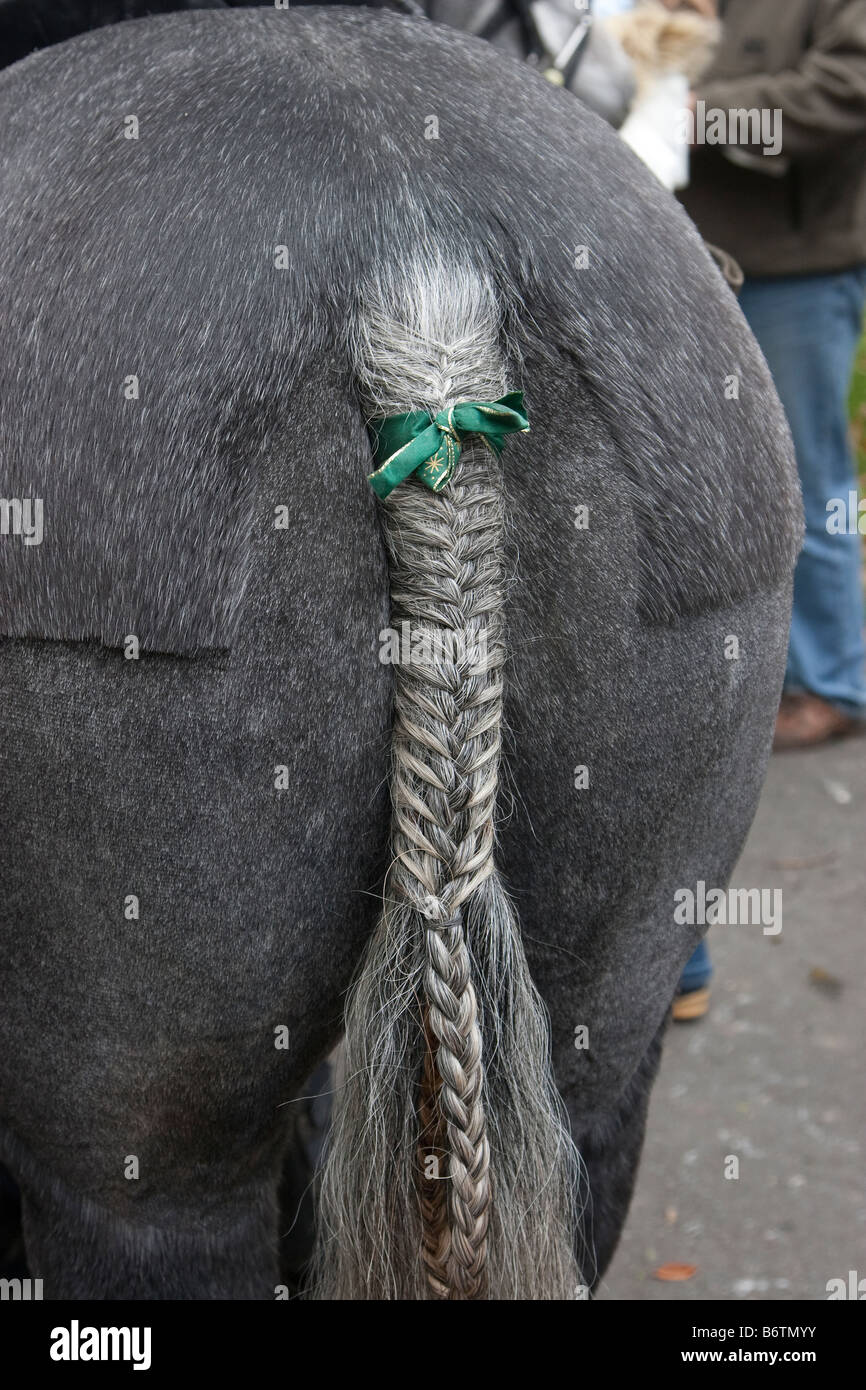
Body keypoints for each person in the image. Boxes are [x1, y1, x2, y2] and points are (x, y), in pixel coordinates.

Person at [680, 0, 866, 750]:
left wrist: (703, 116)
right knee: (721, 482)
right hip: (695, 259)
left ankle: (833, 685)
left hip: (797, 273)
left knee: (808, 478)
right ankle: (759, 677)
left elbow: (848, 89)